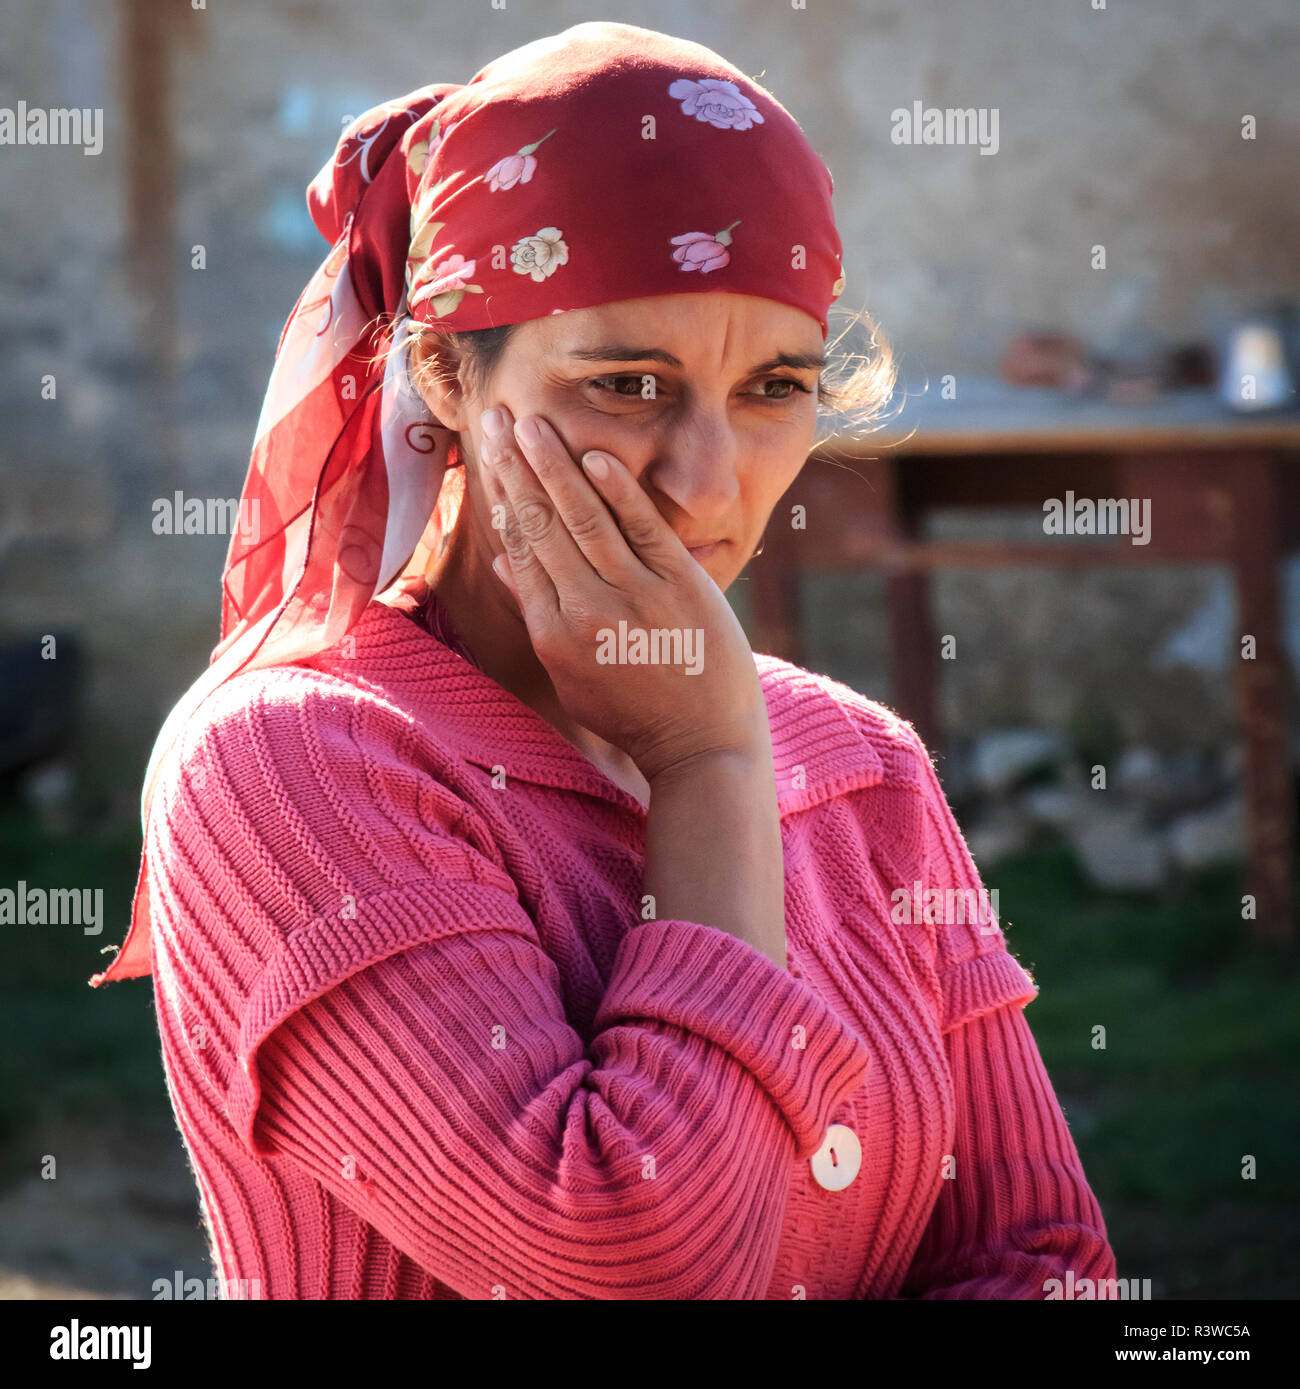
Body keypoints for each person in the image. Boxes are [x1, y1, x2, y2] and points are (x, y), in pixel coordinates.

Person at [92, 21, 1116, 1299]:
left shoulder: (861, 768)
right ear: (443, 377)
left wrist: (731, 747)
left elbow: (1042, 1259)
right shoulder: (291, 761)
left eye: (774, 389)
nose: (705, 479)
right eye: (628, 385)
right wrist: (708, 769)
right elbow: (629, 1263)